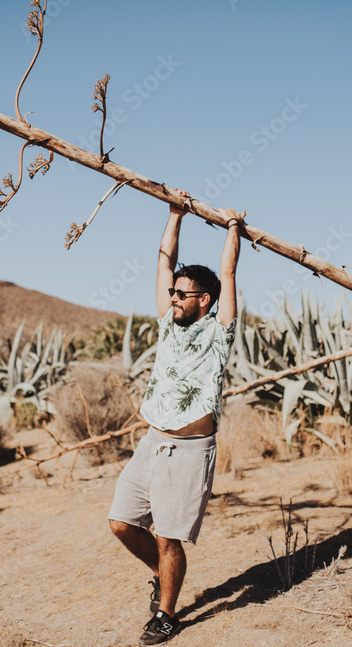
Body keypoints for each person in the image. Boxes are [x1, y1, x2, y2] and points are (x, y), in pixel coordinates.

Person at [107, 200, 243, 645]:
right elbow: (163, 262)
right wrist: (175, 215)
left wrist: (232, 227)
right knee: (122, 522)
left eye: (182, 294)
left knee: (169, 539)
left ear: (203, 299)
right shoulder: (168, 323)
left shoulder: (219, 331)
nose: (172, 298)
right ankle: (160, 577)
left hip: (189, 450)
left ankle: (167, 613)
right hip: (152, 442)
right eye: (172, 293)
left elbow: (230, 275)